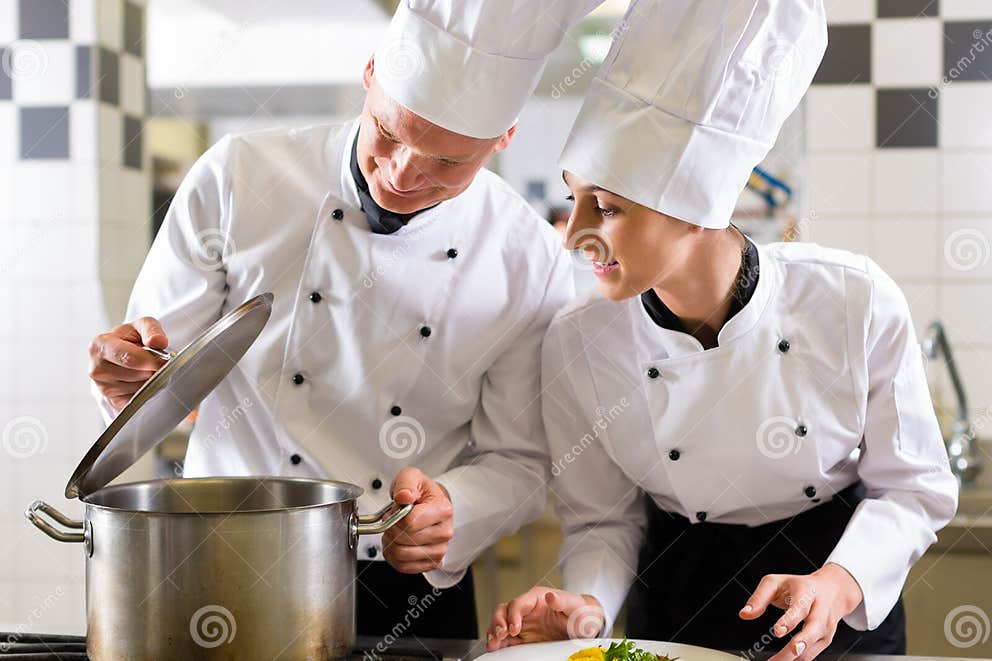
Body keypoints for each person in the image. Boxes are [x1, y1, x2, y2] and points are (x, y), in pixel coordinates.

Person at [84, 0, 613, 639]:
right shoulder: (238, 176)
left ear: (504, 138)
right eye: (388, 132)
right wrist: (127, 381)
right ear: (369, 75)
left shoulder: (527, 256)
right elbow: (157, 375)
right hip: (223, 551)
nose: (401, 175)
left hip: (404, 580)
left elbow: (521, 461)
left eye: (447, 162)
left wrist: (455, 510)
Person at [486, 1, 959, 659]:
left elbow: (912, 487)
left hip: (834, 601)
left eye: (608, 207)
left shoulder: (853, 300)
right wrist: (587, 607)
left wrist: (838, 584)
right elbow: (603, 521)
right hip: (677, 602)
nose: (574, 235)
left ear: (696, 210)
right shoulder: (578, 340)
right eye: (575, 198)